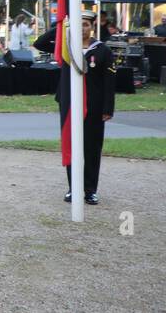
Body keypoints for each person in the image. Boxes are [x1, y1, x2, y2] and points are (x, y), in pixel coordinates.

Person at [33, 10, 115, 205]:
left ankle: (90, 190)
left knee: (92, 147)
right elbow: (39, 44)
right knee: (71, 145)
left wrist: (107, 108)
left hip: (94, 105)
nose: (82, 28)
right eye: (79, 24)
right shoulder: (66, 46)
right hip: (69, 103)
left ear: (92, 27)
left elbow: (109, 82)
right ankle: (73, 188)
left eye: (86, 24)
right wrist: (62, 26)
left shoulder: (103, 50)